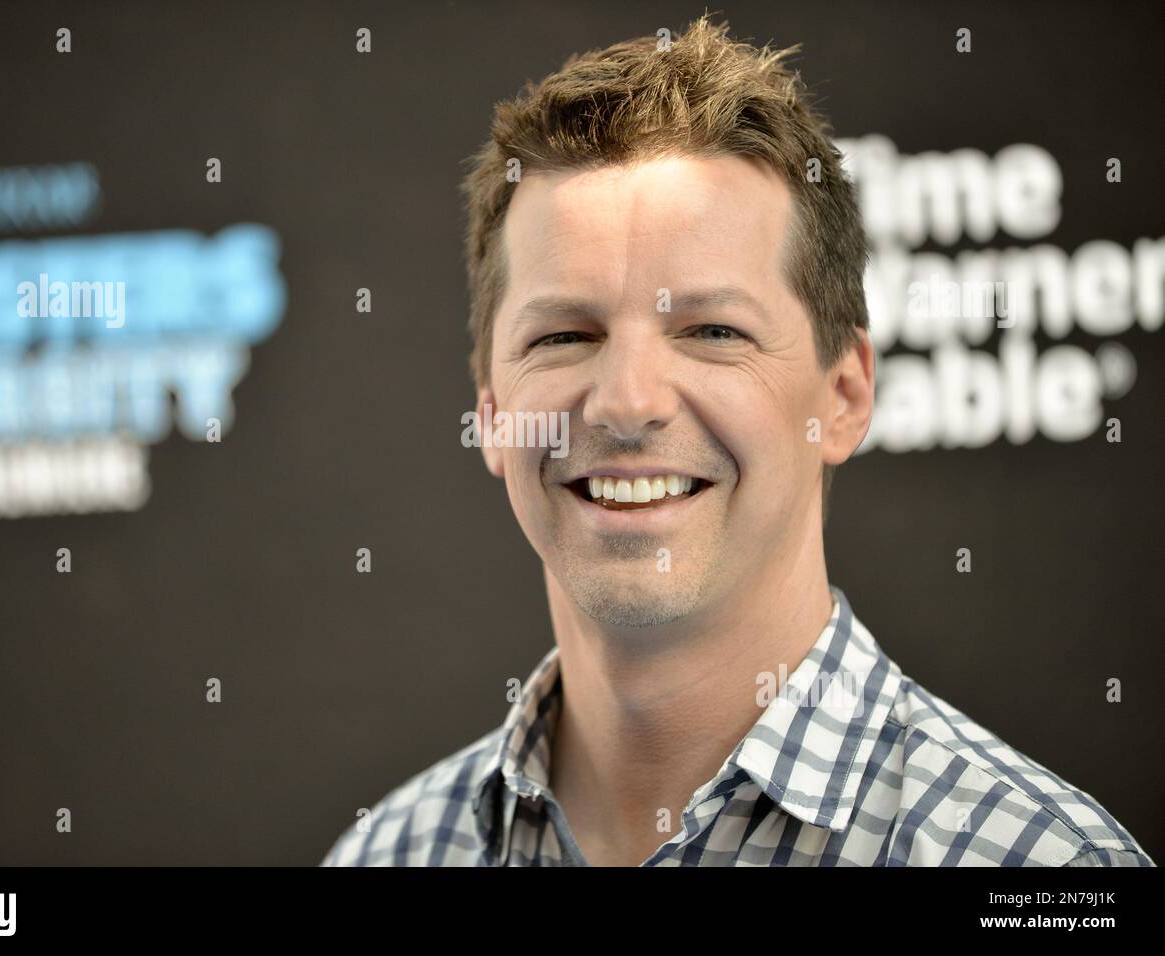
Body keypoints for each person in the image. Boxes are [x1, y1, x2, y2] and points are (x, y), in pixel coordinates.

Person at [322, 15, 1153, 867]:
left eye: (714, 332)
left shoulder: (1042, 871)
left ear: (845, 393)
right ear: (493, 414)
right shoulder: (388, 854)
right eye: (563, 336)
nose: (628, 403)